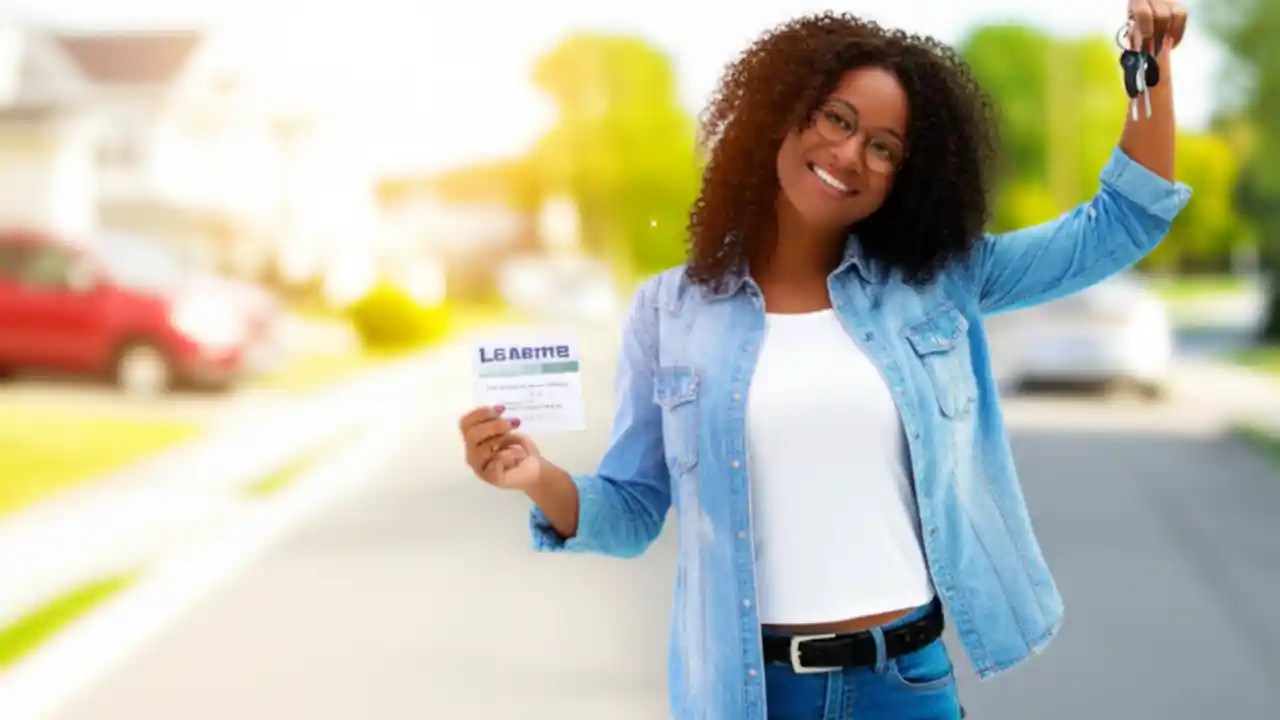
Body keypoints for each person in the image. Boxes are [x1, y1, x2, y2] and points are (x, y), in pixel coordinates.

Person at [458, 3, 1192, 718]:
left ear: (904, 178)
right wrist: (536, 477)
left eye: (884, 148)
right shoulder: (669, 312)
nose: (849, 154)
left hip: (904, 688)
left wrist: (1148, 64)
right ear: (782, 115)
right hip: (751, 697)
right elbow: (632, 512)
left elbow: (1123, 221)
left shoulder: (936, 284)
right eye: (837, 119)